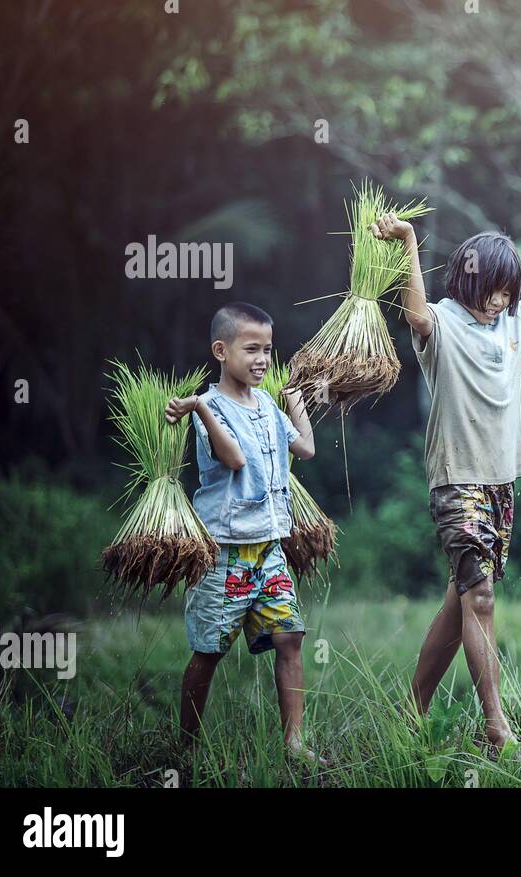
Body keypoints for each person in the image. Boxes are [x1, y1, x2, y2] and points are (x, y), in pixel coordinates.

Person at [372, 208, 521, 756]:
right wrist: (407, 245)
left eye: (506, 292)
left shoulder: (515, 320)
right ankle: (498, 728)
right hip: (457, 481)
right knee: (482, 597)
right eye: (490, 290)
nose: (497, 302)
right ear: (467, 280)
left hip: (500, 482)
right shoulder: (442, 323)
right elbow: (416, 315)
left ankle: (409, 713)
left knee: (464, 598)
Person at [164, 301, 319, 762]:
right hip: (225, 553)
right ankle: (186, 747)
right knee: (209, 650)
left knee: (290, 637)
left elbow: (306, 449)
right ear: (221, 350)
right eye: (251, 348)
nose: (262, 359)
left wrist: (297, 404)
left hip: (268, 547)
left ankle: (294, 744)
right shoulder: (209, 406)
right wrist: (200, 408)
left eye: (268, 350)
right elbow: (233, 459)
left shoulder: (268, 403)